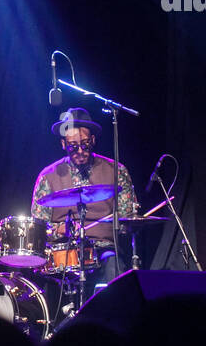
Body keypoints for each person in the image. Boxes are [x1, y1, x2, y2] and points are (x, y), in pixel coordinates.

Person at [30, 107, 138, 283]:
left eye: (85, 144)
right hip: (63, 252)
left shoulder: (117, 171)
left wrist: (125, 223)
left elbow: (128, 219)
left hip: (104, 249)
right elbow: (38, 227)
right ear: (63, 144)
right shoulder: (48, 176)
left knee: (113, 265)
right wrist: (58, 230)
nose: (80, 151)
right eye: (73, 146)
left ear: (93, 140)